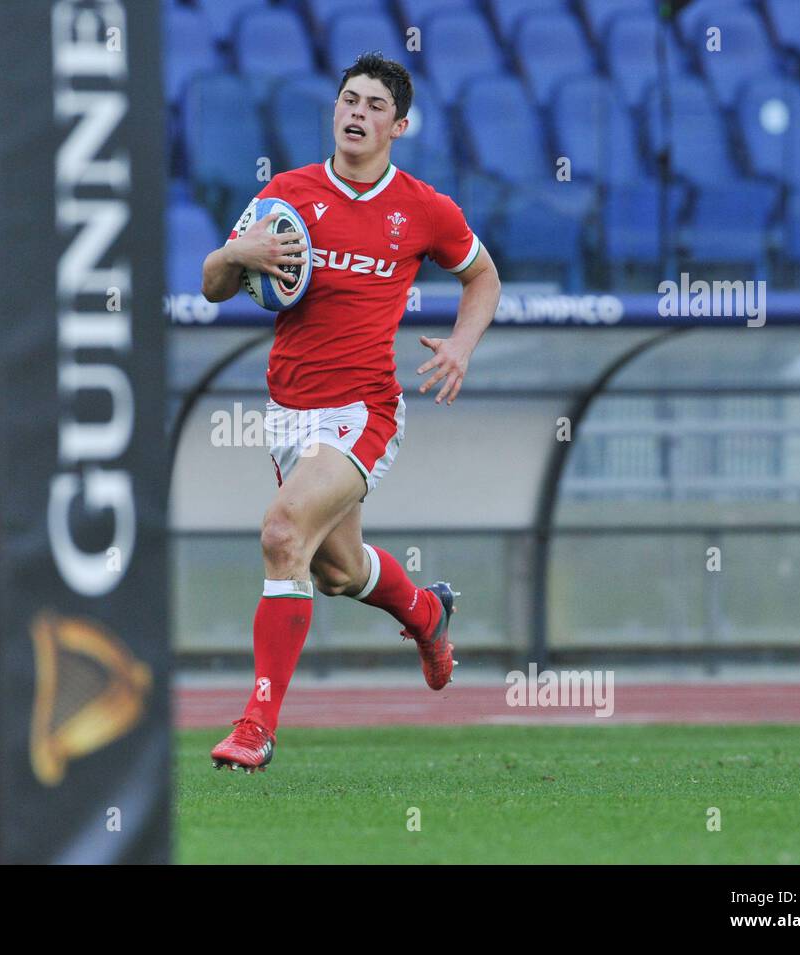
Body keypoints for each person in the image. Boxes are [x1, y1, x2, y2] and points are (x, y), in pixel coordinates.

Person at [199, 52, 502, 772]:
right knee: (333, 570)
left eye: (373, 105)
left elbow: (483, 275)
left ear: (398, 125)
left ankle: (256, 725)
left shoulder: (425, 208)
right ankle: (426, 612)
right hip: (288, 412)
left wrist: (461, 345)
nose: (357, 113)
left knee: (281, 533)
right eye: (348, 100)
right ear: (333, 111)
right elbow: (214, 284)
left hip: (363, 410)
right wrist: (237, 250)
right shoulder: (285, 197)